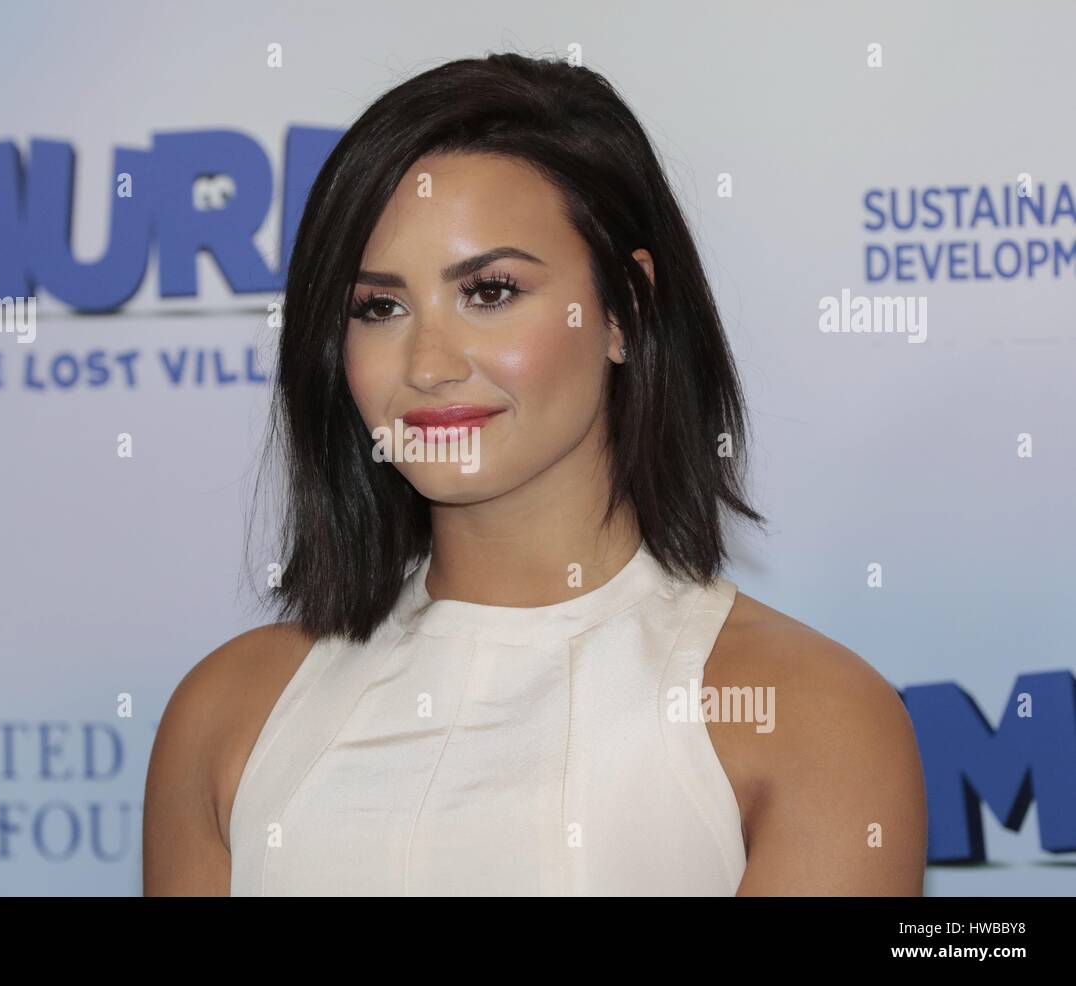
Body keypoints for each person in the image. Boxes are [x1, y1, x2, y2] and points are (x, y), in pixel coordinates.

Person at [143, 52, 927, 896]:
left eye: (489, 291)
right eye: (379, 307)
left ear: (624, 309)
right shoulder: (227, 714)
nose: (430, 364)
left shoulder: (808, 715)